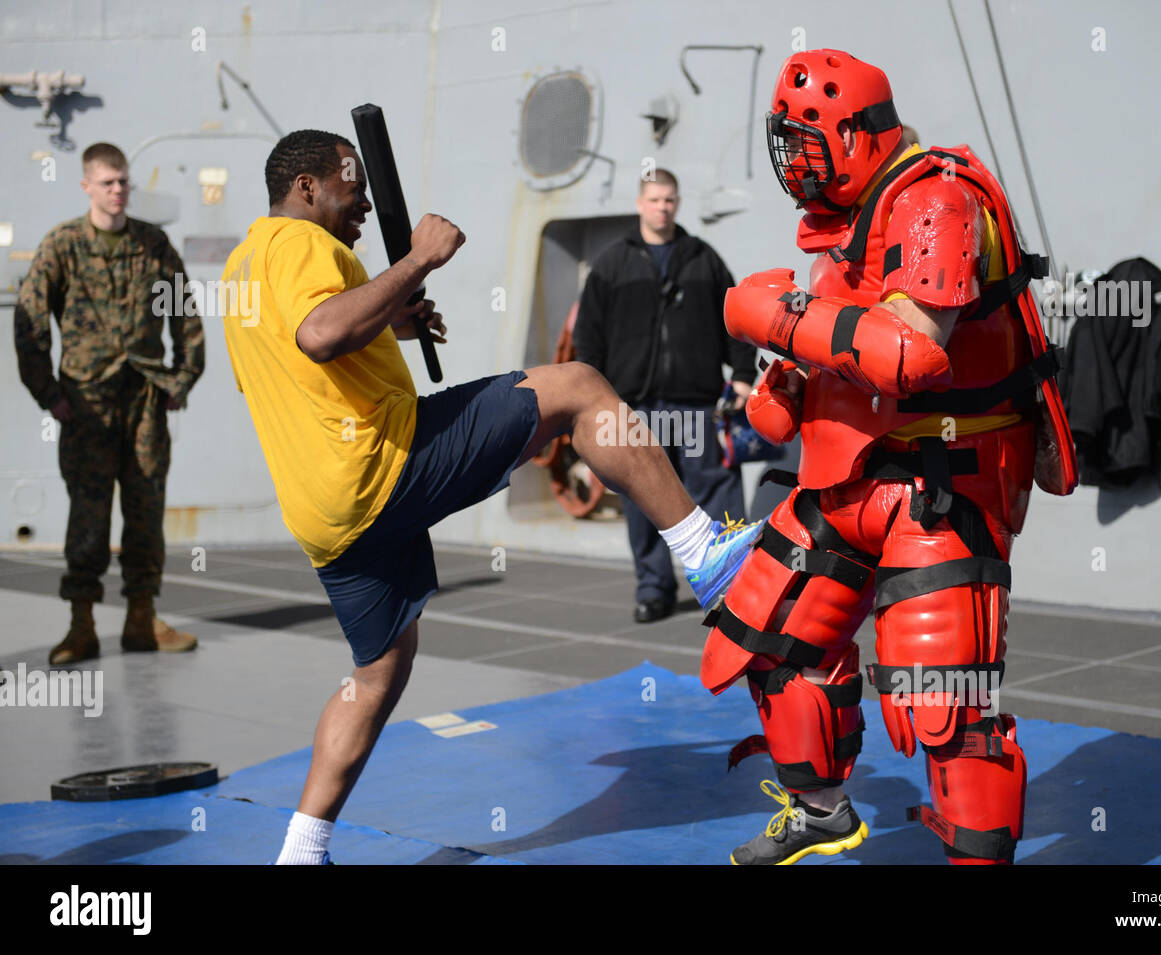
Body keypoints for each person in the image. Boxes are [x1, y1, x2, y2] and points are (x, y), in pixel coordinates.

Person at [220, 130, 762, 864]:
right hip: (383, 464)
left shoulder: (243, 266)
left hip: (324, 516)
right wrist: (417, 260)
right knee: (578, 387)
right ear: (308, 186)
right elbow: (320, 334)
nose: (365, 200)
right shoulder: (301, 243)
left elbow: (301, 359)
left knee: (378, 670)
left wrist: (393, 322)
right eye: (353, 184)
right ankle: (705, 553)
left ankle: (301, 848)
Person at [705, 50, 1078, 864]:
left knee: (942, 699)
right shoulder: (851, 218)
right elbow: (835, 339)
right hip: (848, 471)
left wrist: (775, 316)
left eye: (810, 141)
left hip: (944, 481)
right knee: (773, 640)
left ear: (860, 133)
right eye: (788, 143)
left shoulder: (936, 200)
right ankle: (823, 811)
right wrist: (785, 381)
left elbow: (912, 351)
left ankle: (977, 852)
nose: (796, 162)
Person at [15, 142, 204, 665]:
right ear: (87, 186)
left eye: (122, 182)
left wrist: (181, 379)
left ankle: (141, 620)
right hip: (86, 404)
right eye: (107, 183)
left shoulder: (153, 244)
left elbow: (184, 314)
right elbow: (29, 325)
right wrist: (50, 395)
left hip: (144, 400)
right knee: (89, 516)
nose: (117, 190)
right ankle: (82, 626)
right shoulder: (63, 246)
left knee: (146, 512)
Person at [574, 169, 758, 623]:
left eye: (670, 200)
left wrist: (741, 374)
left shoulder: (703, 259)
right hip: (634, 408)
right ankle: (654, 590)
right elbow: (588, 338)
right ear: (640, 203)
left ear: (677, 203)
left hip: (696, 404)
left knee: (715, 495)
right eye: (654, 199)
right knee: (643, 502)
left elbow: (736, 318)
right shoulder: (612, 265)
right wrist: (597, 398)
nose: (663, 207)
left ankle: (729, 590)